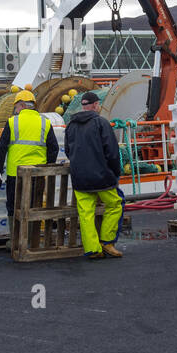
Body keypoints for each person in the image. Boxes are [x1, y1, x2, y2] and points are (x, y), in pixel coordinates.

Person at [63, 91, 124, 260]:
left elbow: (68, 151)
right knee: (115, 204)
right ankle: (107, 241)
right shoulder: (101, 123)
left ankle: (93, 249)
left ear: (82, 106)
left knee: (86, 213)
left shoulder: (71, 125)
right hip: (102, 177)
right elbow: (112, 152)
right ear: (96, 105)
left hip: (79, 178)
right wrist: (115, 173)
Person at [0, 90, 58, 216]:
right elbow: (54, 148)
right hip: (37, 173)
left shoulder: (12, 122)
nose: (15, 110)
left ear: (22, 105)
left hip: (15, 173)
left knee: (13, 208)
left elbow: (2, 148)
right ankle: (32, 234)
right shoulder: (45, 122)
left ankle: (16, 235)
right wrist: (47, 167)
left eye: (16, 106)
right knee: (34, 207)